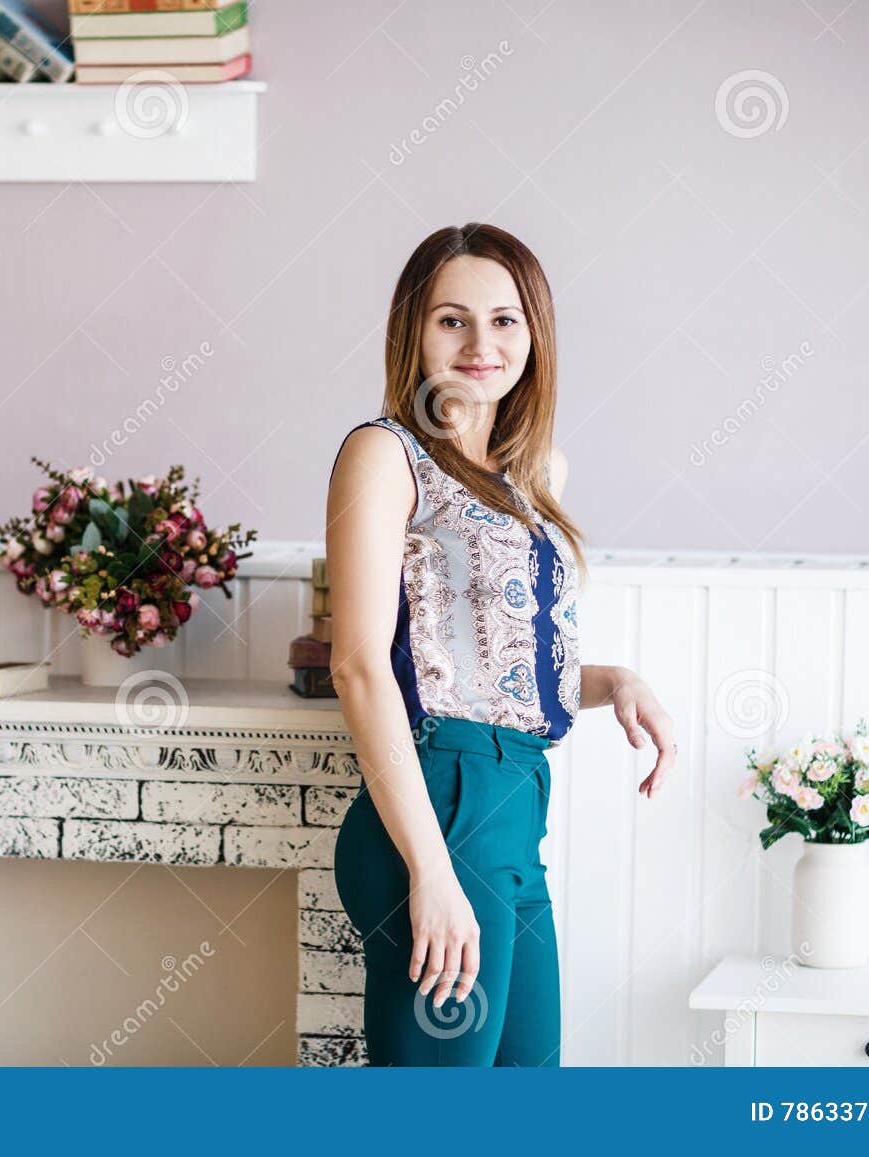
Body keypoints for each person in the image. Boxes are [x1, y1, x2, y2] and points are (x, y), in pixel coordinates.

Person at [325, 222, 678, 1066]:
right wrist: (433, 873)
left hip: (517, 806)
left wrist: (611, 679)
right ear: (414, 328)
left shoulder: (536, 471)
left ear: (536, 332)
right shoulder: (385, 453)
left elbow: (491, 662)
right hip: (442, 802)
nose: (481, 343)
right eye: (452, 320)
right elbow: (359, 664)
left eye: (506, 319)